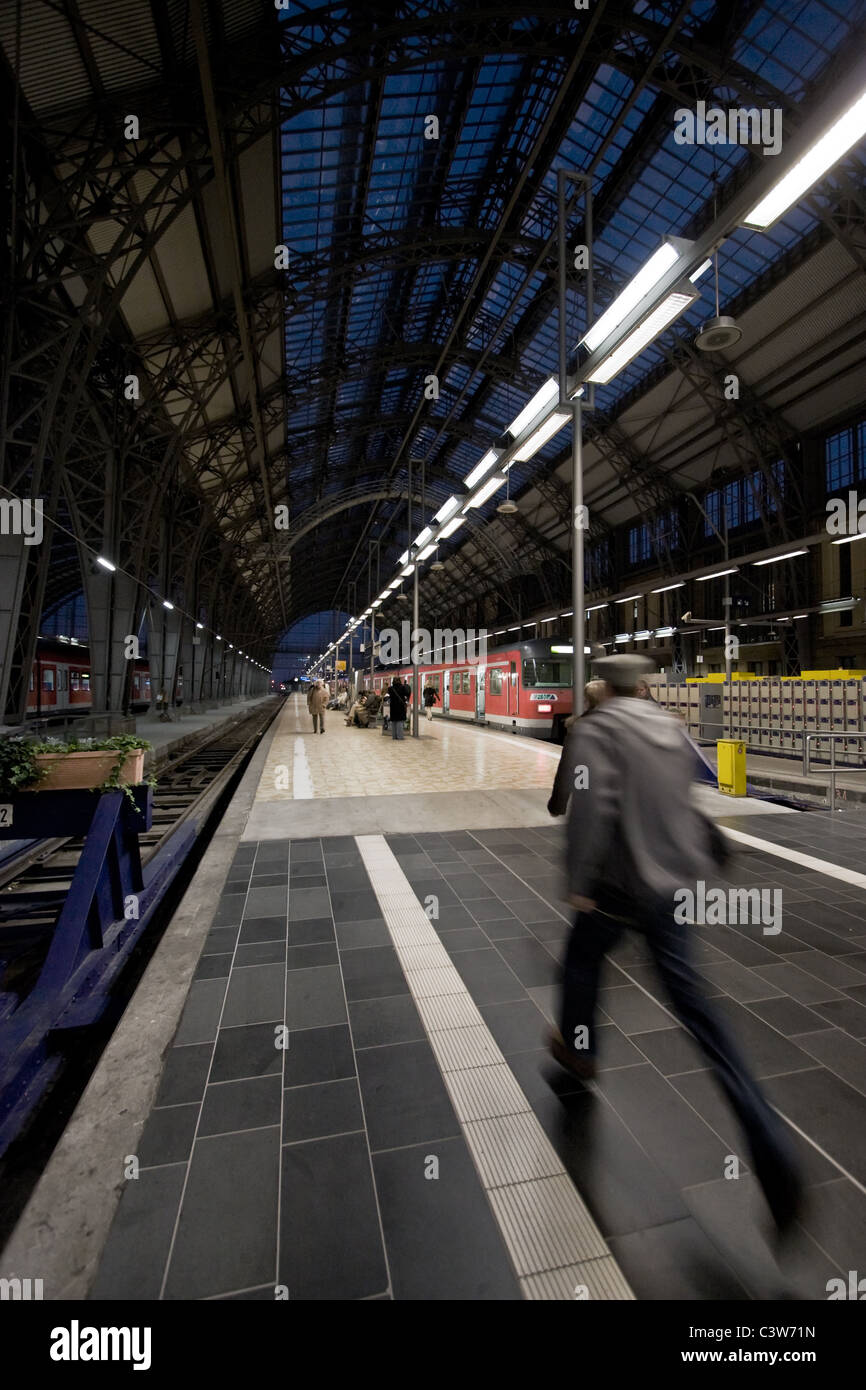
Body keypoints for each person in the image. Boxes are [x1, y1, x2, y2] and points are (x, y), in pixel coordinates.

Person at [550, 652, 803, 1238]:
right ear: (640, 685)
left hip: (619, 886)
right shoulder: (668, 726)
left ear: (603, 690)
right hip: (674, 888)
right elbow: (691, 793)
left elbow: (591, 810)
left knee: (581, 961)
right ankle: (771, 1150)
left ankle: (579, 1053)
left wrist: (578, 883)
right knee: (700, 1014)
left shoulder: (596, 730)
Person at [548, 679, 610, 817]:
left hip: (586, 784)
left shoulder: (580, 726)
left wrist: (557, 804)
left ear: (587, 701)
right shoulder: (624, 723)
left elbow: (567, 767)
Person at [388, 674, 411, 740]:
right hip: (400, 707)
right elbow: (407, 693)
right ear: (399, 681)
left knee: (394, 722)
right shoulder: (403, 687)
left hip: (393, 707)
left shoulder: (390, 688)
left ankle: (394, 736)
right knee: (400, 722)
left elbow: (389, 695)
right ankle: (400, 736)